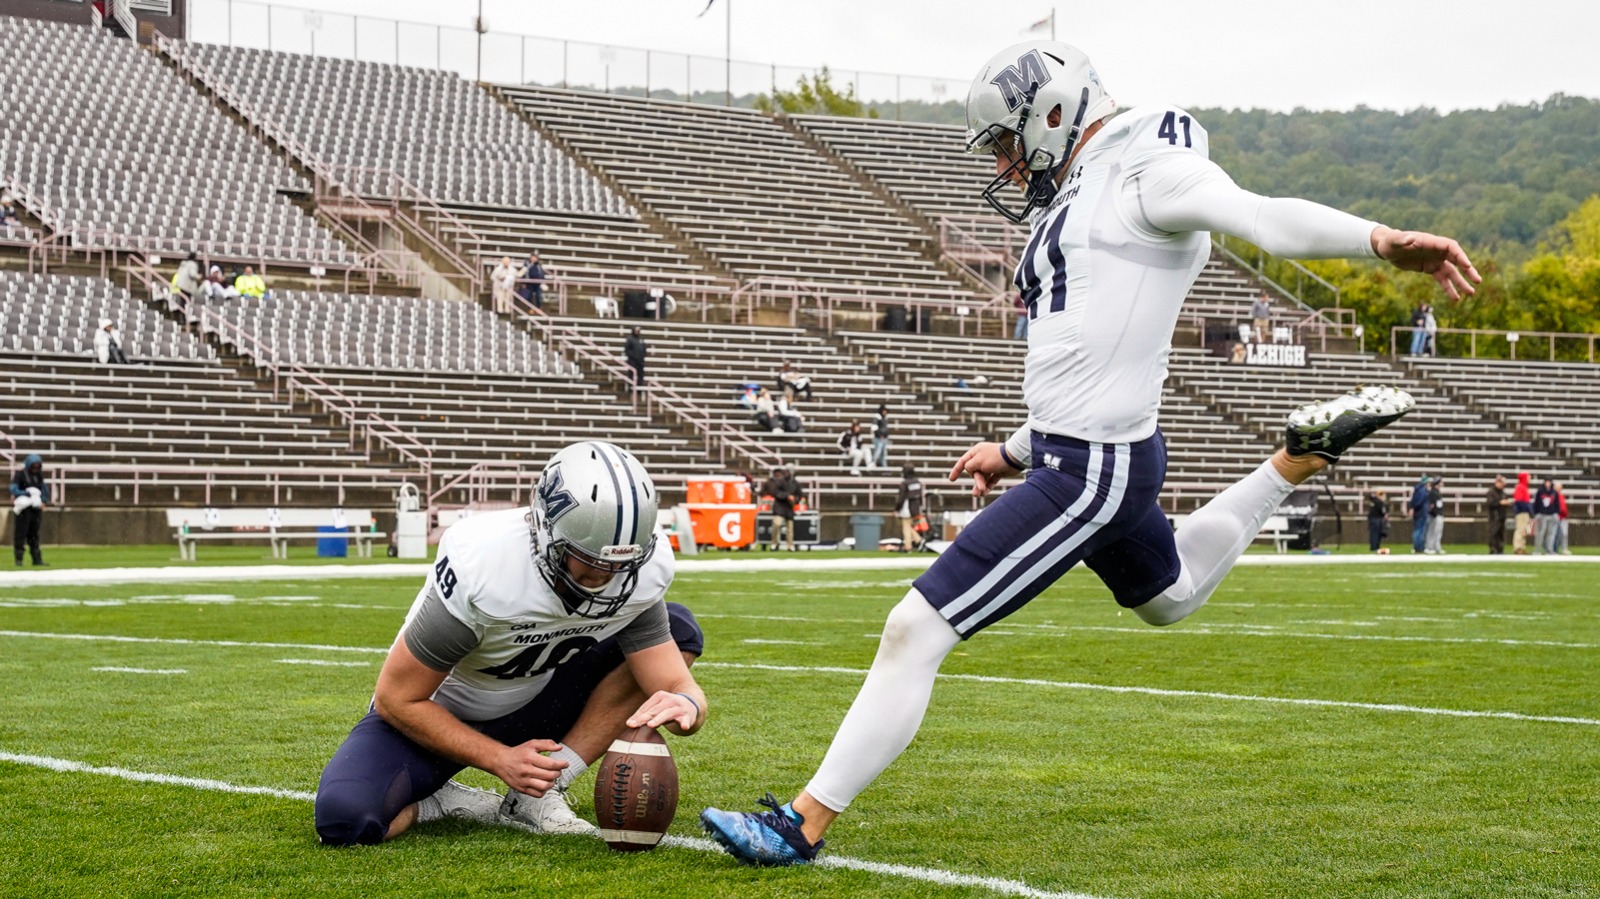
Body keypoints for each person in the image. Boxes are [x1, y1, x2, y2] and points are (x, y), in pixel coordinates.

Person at [700, 38, 1479, 864]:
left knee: (913, 627)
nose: (1004, 161)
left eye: (1007, 140)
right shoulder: (1080, 189)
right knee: (1168, 595)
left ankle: (801, 821)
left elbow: (1259, 214)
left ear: (1056, 111)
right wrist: (1010, 446)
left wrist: (1381, 240)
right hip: (1080, 450)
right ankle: (1294, 457)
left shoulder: (1147, 158)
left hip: (1091, 467)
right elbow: (1082, 353)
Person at [313, 441, 708, 846]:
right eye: (587, 558)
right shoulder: (487, 567)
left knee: (678, 627)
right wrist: (499, 759)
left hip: (538, 694)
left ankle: (539, 789)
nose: (603, 576)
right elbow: (398, 698)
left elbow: (674, 683)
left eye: (618, 564)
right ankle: (435, 802)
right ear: (545, 527)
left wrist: (690, 703)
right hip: (438, 713)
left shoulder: (639, 567)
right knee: (346, 820)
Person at [9, 453, 49, 566]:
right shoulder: (20, 475)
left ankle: (37, 559)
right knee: (20, 534)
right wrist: (26, 493)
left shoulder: (39, 475)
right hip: (23, 509)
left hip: (35, 508)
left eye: (37, 466)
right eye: (34, 465)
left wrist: (44, 500)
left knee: (34, 534)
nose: (36, 468)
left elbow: (44, 489)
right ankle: (19, 559)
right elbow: (13, 488)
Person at [761, 466, 803, 552]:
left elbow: (800, 495)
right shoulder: (780, 482)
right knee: (776, 524)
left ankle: (790, 545)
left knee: (790, 528)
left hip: (789, 508)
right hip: (780, 506)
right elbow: (775, 493)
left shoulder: (796, 483)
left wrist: (795, 499)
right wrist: (787, 496)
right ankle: (774, 543)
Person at [894, 465, 925, 553]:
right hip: (915, 508)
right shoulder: (917, 482)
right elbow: (920, 496)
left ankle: (909, 546)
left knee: (906, 527)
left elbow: (901, 498)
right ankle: (918, 540)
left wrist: (897, 509)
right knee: (908, 526)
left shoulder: (905, 483)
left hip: (906, 507)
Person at [1485, 475, 1511, 554]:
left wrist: (1507, 503)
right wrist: (1500, 502)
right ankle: (1493, 548)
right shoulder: (1491, 492)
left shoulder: (1503, 493)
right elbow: (1490, 503)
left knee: (1501, 534)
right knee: (1493, 533)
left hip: (1502, 516)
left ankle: (1500, 549)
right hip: (1494, 516)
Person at [1533, 477, 1560, 554]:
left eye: (1549, 482)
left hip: (1551, 515)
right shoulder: (1540, 491)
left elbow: (1557, 504)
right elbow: (1536, 503)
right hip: (1542, 515)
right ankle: (1537, 550)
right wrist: (1536, 513)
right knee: (1540, 534)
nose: (1548, 484)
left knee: (1551, 534)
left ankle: (1549, 549)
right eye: (1546, 482)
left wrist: (1556, 513)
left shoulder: (1554, 492)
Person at [1408, 475, 1432, 554]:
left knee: (1419, 530)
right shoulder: (1422, 491)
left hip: (1420, 512)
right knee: (1419, 531)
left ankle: (1418, 547)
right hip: (1421, 513)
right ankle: (1418, 547)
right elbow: (1418, 502)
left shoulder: (1419, 490)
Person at [1511, 471, 1533, 554]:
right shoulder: (1520, 487)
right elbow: (1519, 500)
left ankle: (1521, 547)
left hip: (1524, 512)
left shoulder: (1523, 487)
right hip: (1521, 512)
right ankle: (1518, 547)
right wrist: (1526, 509)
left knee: (1524, 530)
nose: (1529, 478)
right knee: (1520, 529)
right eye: (1528, 476)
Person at [1424, 477, 1446, 554]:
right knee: (1432, 531)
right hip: (1434, 514)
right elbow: (1432, 505)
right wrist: (1434, 513)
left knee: (1438, 532)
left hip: (1438, 514)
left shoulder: (1437, 492)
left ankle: (1437, 546)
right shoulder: (1433, 492)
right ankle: (1429, 547)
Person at [1365, 488, 1389, 553]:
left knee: (1374, 534)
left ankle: (1374, 547)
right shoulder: (1379, 502)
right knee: (1376, 534)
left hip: (1373, 519)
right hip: (1377, 519)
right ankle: (1375, 547)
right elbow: (1382, 511)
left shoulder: (1374, 501)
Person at [870, 405, 891, 469]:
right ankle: (872, 465)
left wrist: (885, 436)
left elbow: (885, 428)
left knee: (883, 454)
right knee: (877, 452)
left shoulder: (885, 418)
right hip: (879, 438)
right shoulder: (877, 417)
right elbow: (874, 428)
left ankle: (885, 468)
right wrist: (879, 435)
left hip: (884, 438)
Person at [1554, 482, 1571, 555]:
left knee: (1564, 534)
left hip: (1563, 517)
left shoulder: (1561, 495)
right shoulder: (1553, 495)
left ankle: (1564, 548)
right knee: (1555, 534)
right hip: (1557, 517)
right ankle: (1554, 549)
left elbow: (1563, 507)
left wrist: (1565, 514)